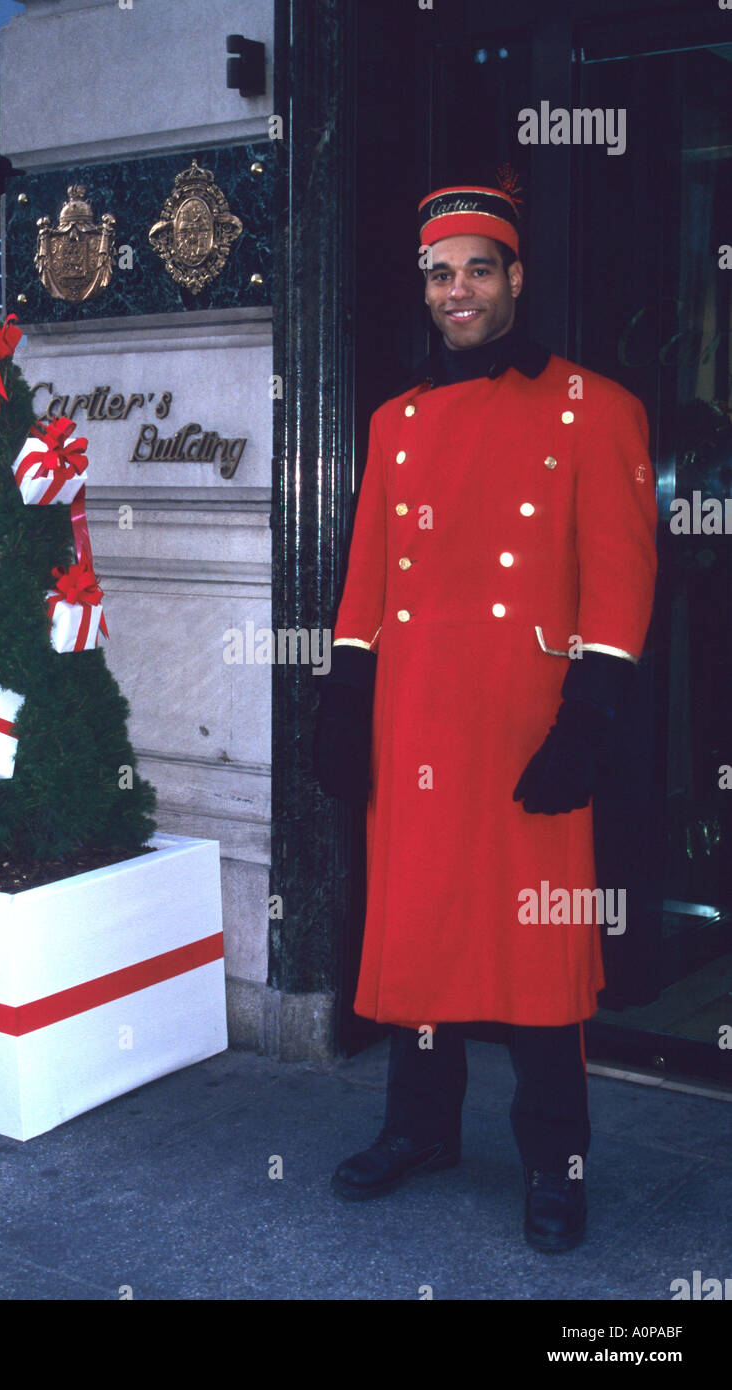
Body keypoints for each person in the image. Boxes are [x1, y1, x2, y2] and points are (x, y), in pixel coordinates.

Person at [314, 179, 658, 1252]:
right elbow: (367, 582)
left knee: (537, 953)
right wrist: (343, 699)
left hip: (528, 726)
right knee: (420, 937)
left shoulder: (597, 409)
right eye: (438, 273)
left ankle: (556, 1166)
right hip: (414, 726)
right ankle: (421, 1129)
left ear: (516, 278)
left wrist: (588, 719)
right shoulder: (395, 422)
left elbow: (621, 580)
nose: (456, 290)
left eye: (477, 268)